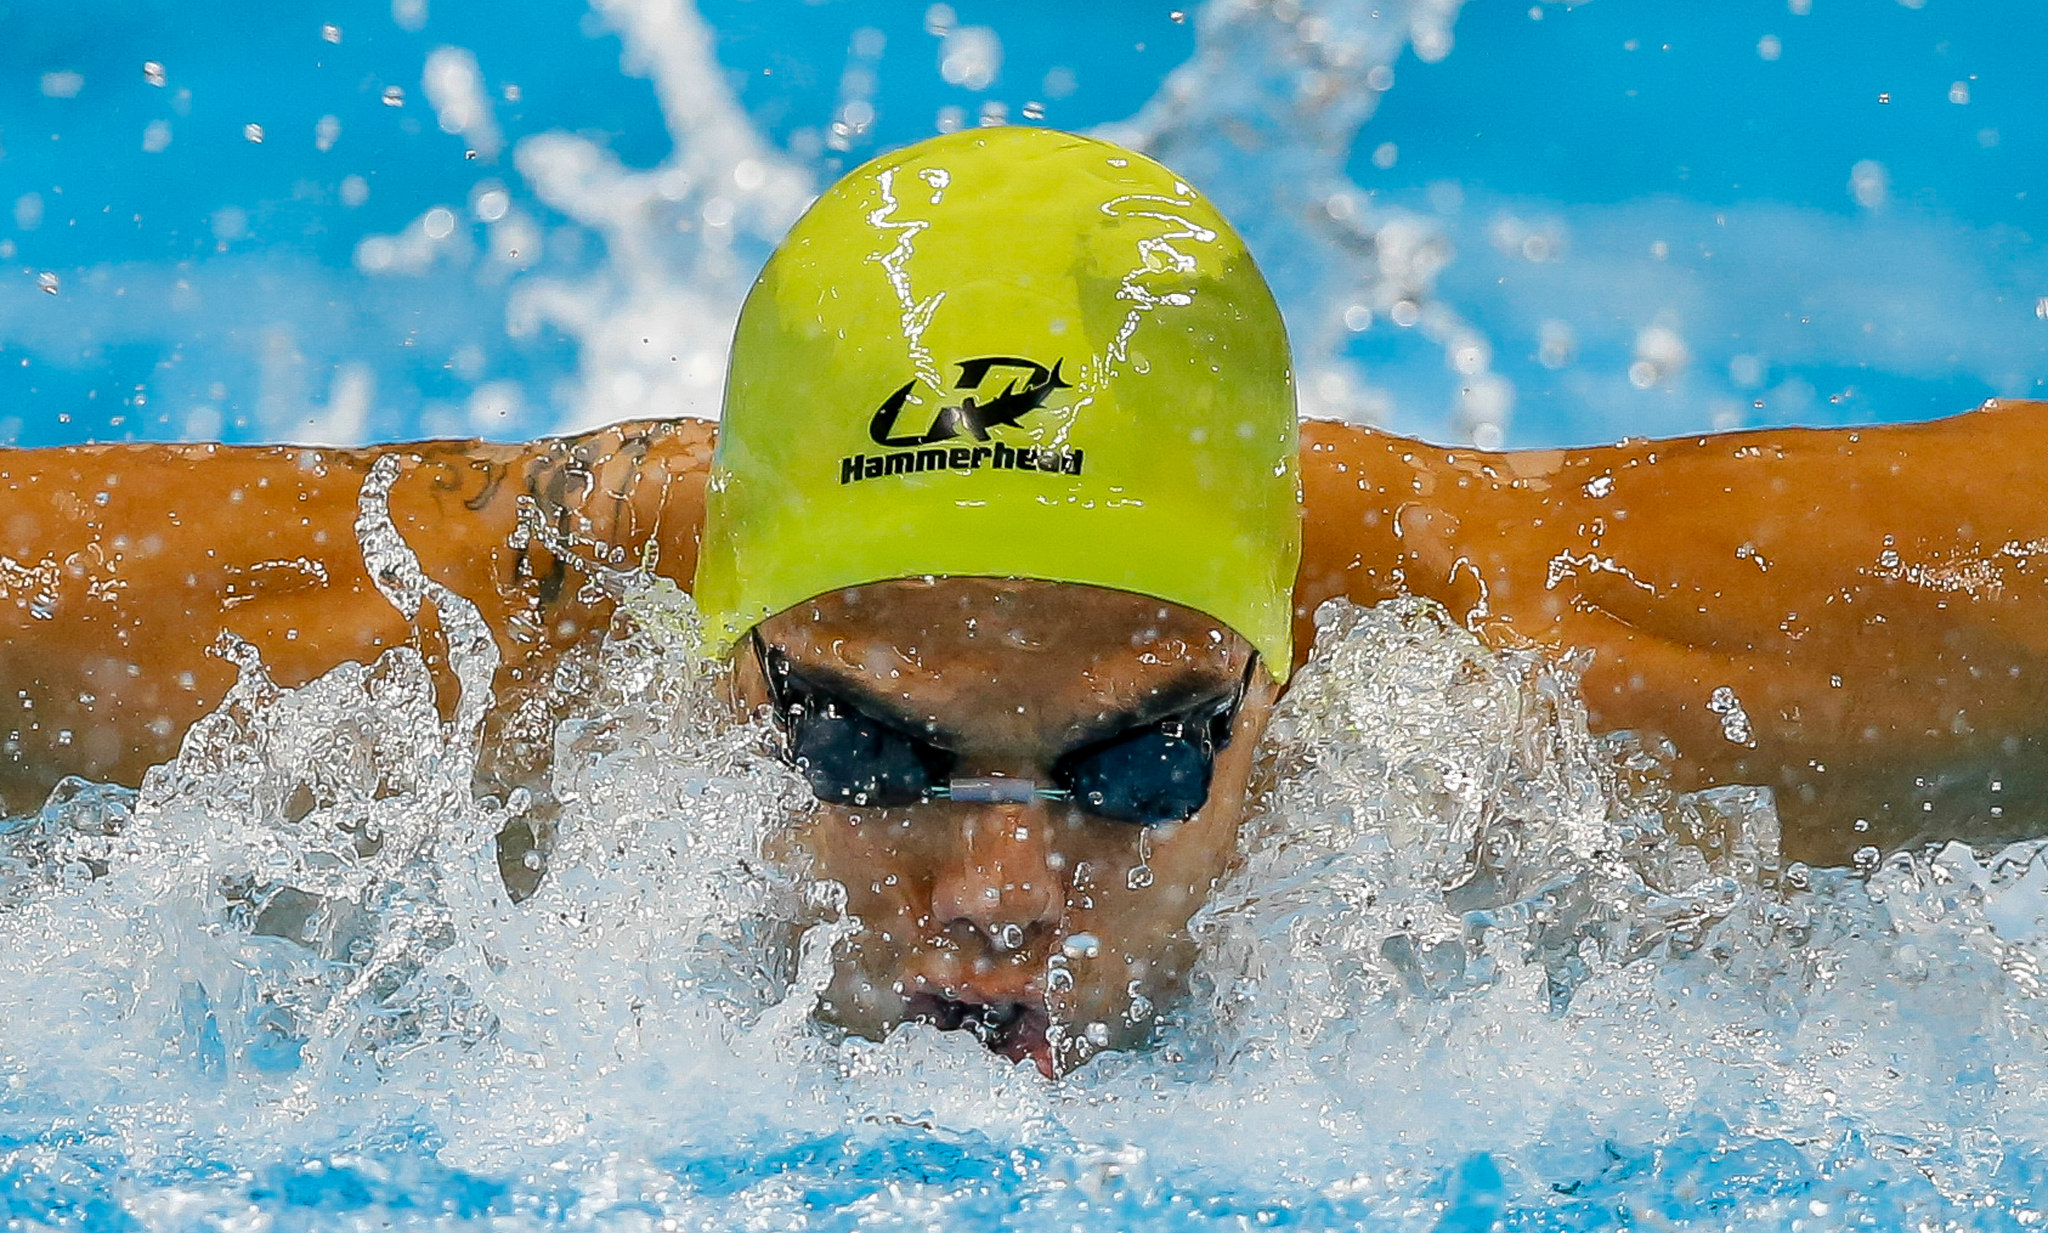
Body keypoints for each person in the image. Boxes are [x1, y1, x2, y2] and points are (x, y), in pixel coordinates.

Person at [2, 128, 2046, 1072]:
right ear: (723, 658)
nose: (995, 897)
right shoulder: (428, 660)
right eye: (859, 746)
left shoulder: (1573, 671)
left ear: (1284, 665)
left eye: (1139, 763)